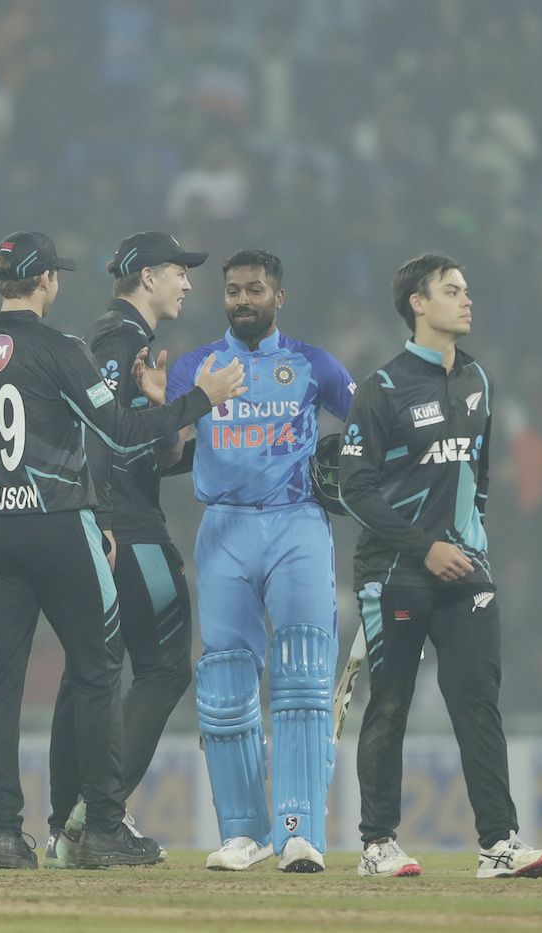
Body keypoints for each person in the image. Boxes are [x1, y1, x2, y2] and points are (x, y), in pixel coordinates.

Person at [0, 231, 245, 869]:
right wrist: (199, 401)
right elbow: (120, 433)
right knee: (98, 669)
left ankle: (3, 835)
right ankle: (101, 826)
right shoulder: (62, 349)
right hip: (59, 524)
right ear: (48, 281)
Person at [339, 254, 542, 880]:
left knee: (478, 704)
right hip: (394, 571)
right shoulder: (381, 388)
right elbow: (356, 488)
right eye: (452, 291)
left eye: (467, 290)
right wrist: (422, 544)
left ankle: (499, 844)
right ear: (417, 302)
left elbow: (479, 475)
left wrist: (468, 540)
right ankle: (377, 843)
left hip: (466, 570)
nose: (467, 300)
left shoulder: (478, 381)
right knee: (391, 706)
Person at [165, 249, 356, 873]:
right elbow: (160, 435)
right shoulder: (196, 366)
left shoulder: (312, 364)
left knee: (302, 674)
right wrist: (158, 401)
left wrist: (358, 478)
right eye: (233, 291)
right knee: (222, 684)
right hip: (222, 528)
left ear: (279, 296)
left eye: (254, 289)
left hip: (296, 522)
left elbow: (372, 426)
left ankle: (300, 828)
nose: (242, 299)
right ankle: (244, 833)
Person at [45, 232, 208, 868]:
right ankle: (95, 816)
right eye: (178, 271)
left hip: (110, 518)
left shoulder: (121, 338)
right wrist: (106, 517)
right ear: (145, 277)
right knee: (165, 666)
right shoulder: (118, 338)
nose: (187, 283)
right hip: (127, 529)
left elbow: (136, 443)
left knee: (87, 676)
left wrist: (171, 430)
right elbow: (101, 436)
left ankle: (67, 826)